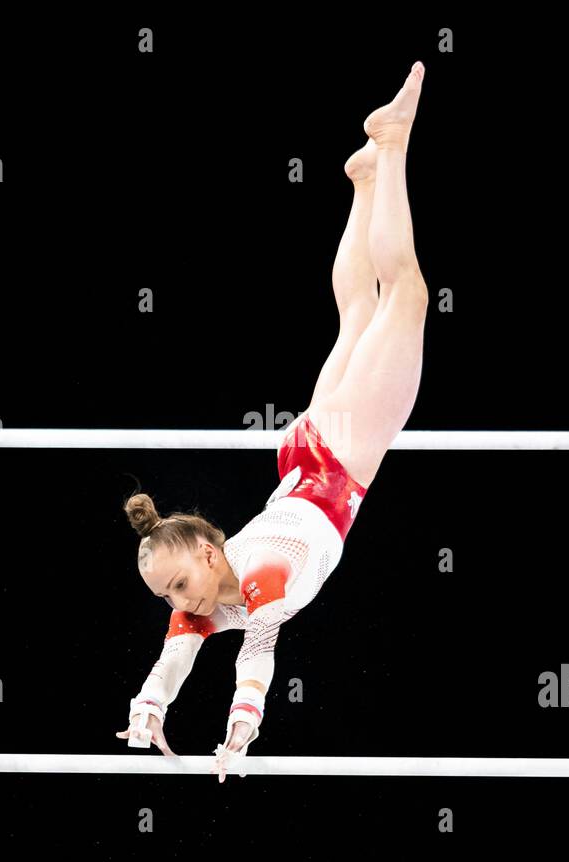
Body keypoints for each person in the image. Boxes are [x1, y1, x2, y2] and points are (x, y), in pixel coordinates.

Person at [116, 62, 430, 782]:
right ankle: (365, 183)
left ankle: (393, 146)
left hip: (335, 460)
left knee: (404, 296)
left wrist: (240, 730)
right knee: (360, 313)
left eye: (176, 588)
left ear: (204, 551)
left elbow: (259, 652)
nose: (176, 604)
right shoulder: (203, 596)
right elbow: (172, 660)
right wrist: (149, 705)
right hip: (309, 459)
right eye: (165, 597)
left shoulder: (259, 573)